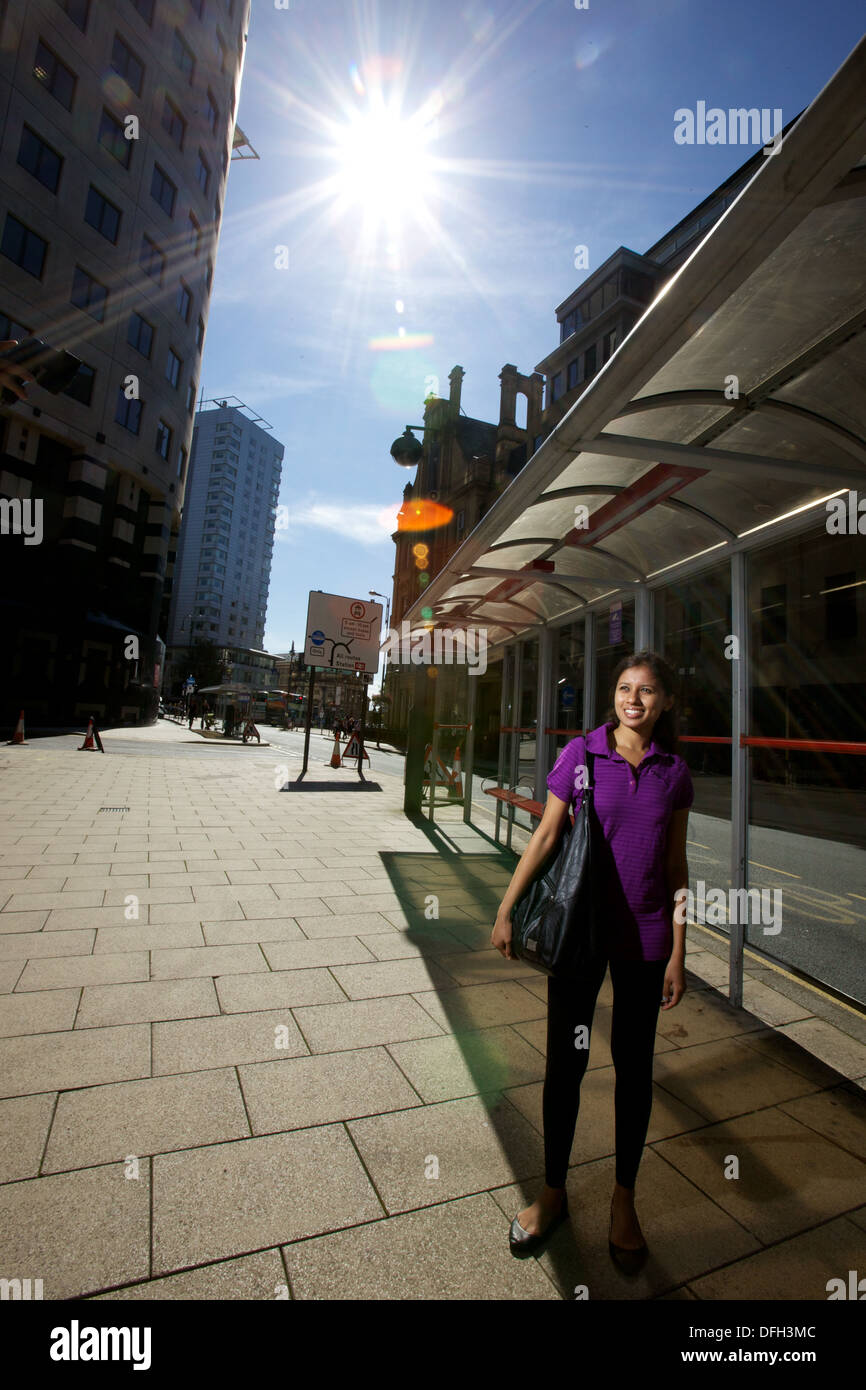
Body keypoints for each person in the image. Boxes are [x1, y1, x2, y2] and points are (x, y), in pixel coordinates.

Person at [492, 650, 692, 1272]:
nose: (635, 699)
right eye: (626, 688)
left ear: (663, 703)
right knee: (566, 1064)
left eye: (648, 691)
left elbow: (677, 866)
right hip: (580, 933)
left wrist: (680, 951)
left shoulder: (674, 772)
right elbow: (547, 836)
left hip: (646, 938)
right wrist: (507, 909)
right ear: (614, 696)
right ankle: (552, 1193)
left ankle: (623, 1201)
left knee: (635, 1070)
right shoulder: (582, 755)